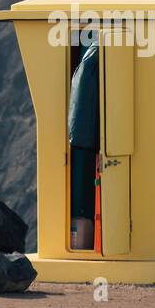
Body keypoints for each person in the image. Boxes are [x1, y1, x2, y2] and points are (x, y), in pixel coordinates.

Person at [68, 40, 99, 249]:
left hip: (81, 137)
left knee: (82, 199)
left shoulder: (89, 50)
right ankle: (82, 245)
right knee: (83, 201)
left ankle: (80, 246)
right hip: (85, 138)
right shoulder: (95, 51)